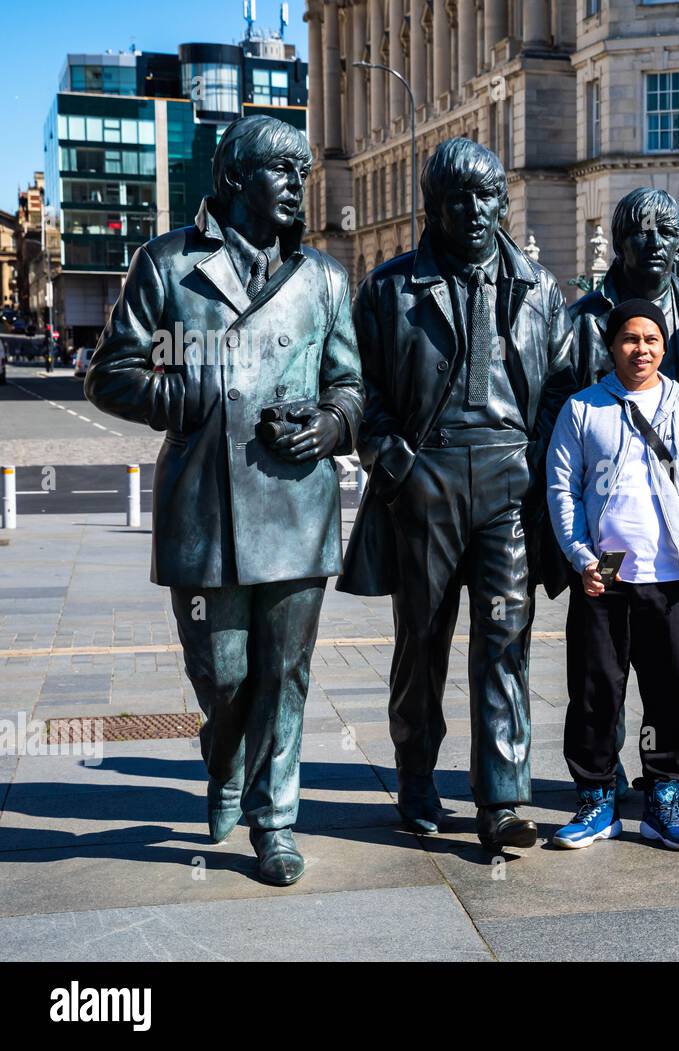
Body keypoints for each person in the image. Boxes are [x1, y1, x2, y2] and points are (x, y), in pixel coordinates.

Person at [85, 115, 364, 886]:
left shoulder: (324, 280)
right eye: (283, 174)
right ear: (237, 179)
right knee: (226, 672)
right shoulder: (169, 265)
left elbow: (352, 387)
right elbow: (110, 373)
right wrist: (184, 391)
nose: (297, 190)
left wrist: (331, 423)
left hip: (297, 506)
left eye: (303, 177)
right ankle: (227, 758)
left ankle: (274, 822)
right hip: (204, 512)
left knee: (287, 673)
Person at [337, 138, 577, 852]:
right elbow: (358, 388)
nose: (474, 211)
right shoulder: (390, 288)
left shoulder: (538, 287)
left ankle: (502, 799)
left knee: (506, 640)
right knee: (423, 641)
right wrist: (392, 457)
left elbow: (560, 387)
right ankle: (415, 771)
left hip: (509, 482)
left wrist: (543, 472)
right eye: (457, 199)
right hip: (427, 478)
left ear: (505, 201)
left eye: (487, 196)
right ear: (433, 207)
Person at [567, 188, 679, 826]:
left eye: (669, 233)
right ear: (619, 243)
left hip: (678, 540)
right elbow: (558, 424)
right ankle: (597, 788)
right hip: (604, 540)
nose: (657, 245)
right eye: (642, 234)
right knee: (599, 677)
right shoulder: (585, 320)